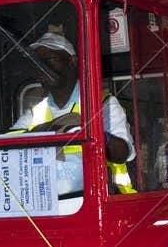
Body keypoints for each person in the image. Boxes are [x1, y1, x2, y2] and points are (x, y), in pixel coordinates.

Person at [10, 31, 135, 197]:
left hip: (106, 202)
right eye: (37, 63)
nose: (42, 68)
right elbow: (8, 146)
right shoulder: (35, 113)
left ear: (72, 61)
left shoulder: (103, 103)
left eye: (50, 60)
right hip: (54, 204)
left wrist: (98, 136)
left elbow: (123, 153)